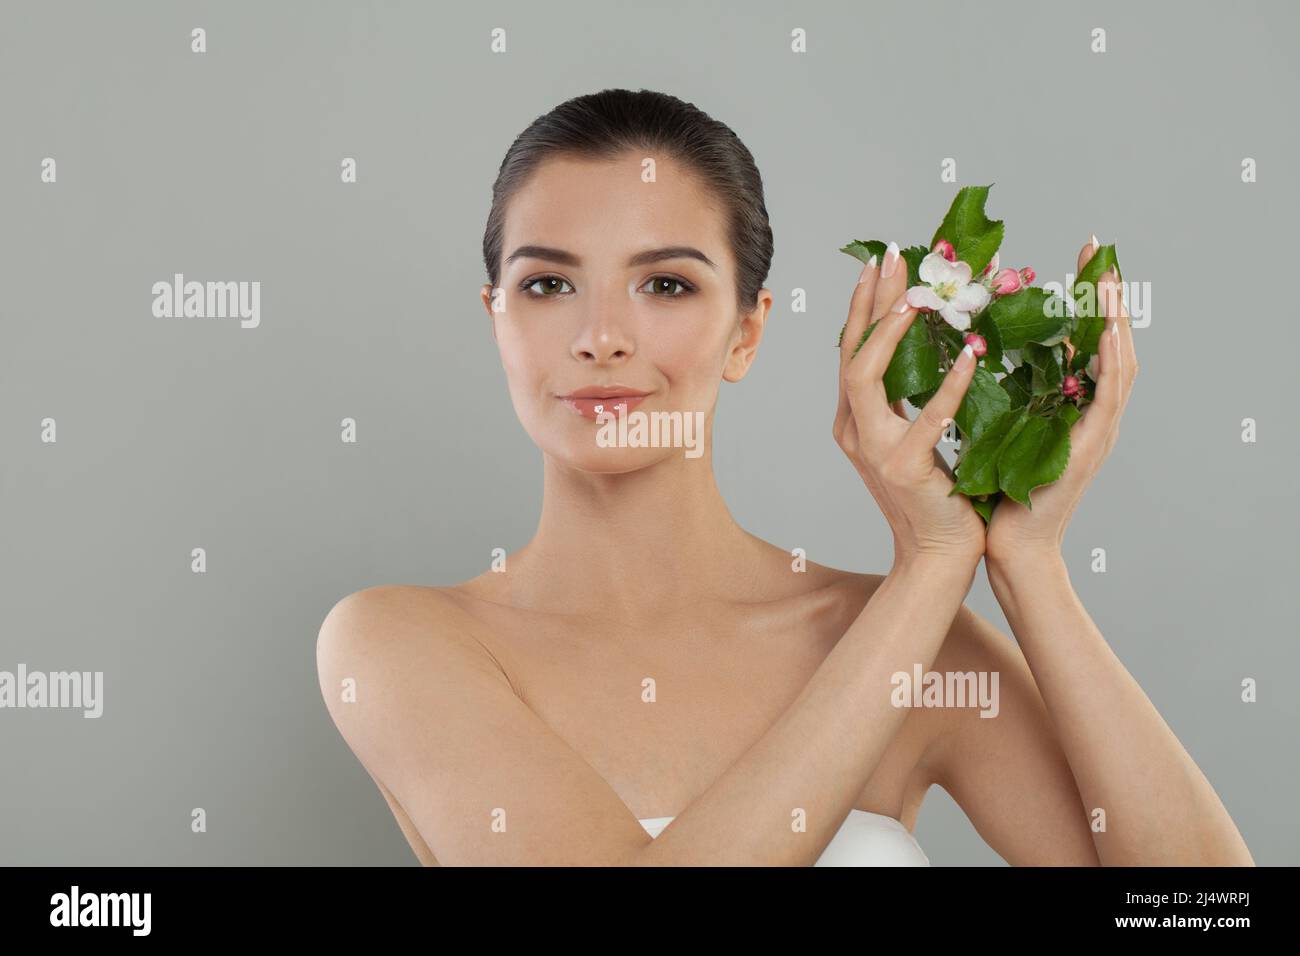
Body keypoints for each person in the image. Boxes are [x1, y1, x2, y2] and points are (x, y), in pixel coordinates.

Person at [315, 88, 1253, 866]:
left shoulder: (918, 647)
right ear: (497, 318)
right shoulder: (401, 645)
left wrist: (1027, 563)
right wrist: (928, 566)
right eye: (548, 283)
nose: (600, 335)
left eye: (667, 284)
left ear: (750, 330)